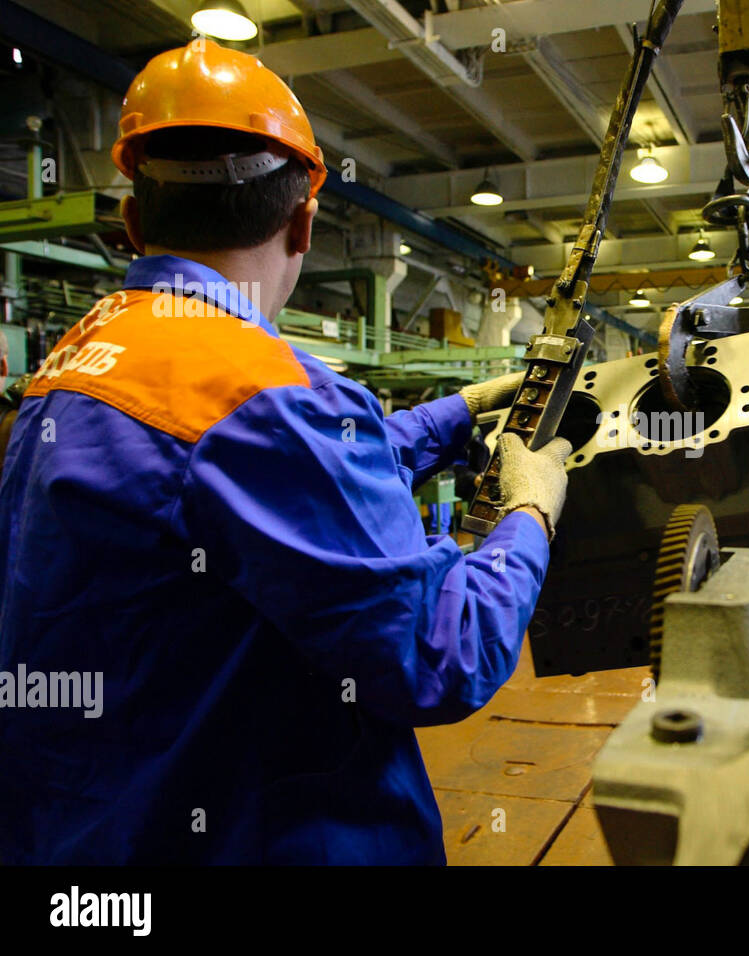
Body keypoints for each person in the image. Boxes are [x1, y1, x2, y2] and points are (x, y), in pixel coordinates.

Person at [0, 40, 570, 864]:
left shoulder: (73, 365)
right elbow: (437, 656)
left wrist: (446, 416)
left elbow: (245, 477)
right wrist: (530, 514)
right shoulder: (270, 395)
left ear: (132, 222)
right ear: (302, 220)